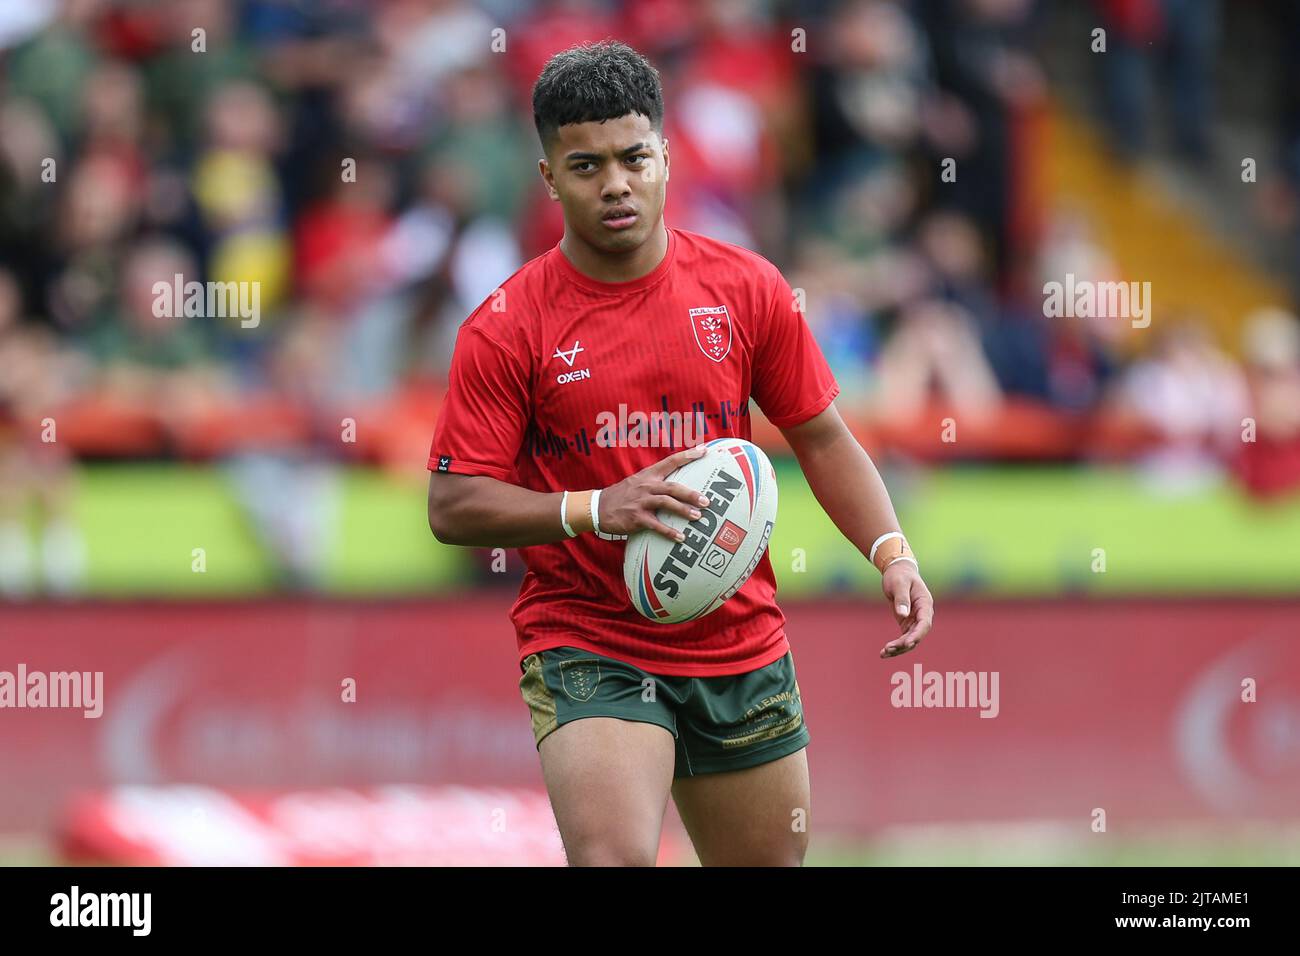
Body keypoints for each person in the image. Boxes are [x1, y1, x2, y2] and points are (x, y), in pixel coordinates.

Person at [425, 41, 934, 867]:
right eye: (586, 166)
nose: (615, 184)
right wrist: (597, 508)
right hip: (588, 635)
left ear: (665, 154)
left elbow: (822, 435)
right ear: (549, 177)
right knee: (613, 858)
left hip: (737, 635)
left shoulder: (746, 288)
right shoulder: (506, 327)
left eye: (634, 158)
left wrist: (892, 551)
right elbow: (453, 505)